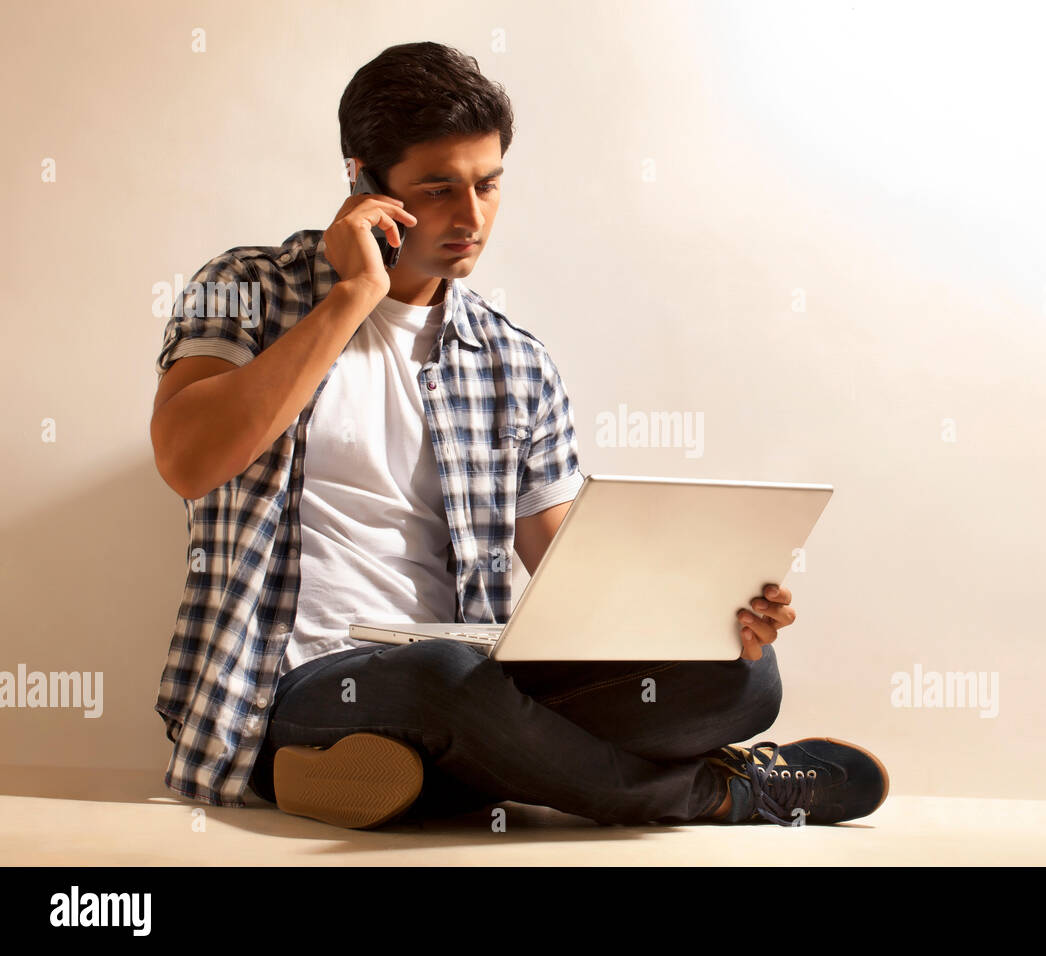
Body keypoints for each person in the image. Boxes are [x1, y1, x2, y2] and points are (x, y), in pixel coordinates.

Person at [149, 41, 889, 829]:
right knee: (435, 678)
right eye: (438, 189)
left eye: (488, 183)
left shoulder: (514, 361)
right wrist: (356, 293)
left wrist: (703, 612)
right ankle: (725, 792)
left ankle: (430, 774)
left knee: (743, 681)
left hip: (479, 677)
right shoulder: (245, 287)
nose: (471, 218)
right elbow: (190, 461)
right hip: (293, 684)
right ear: (364, 181)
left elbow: (570, 568)